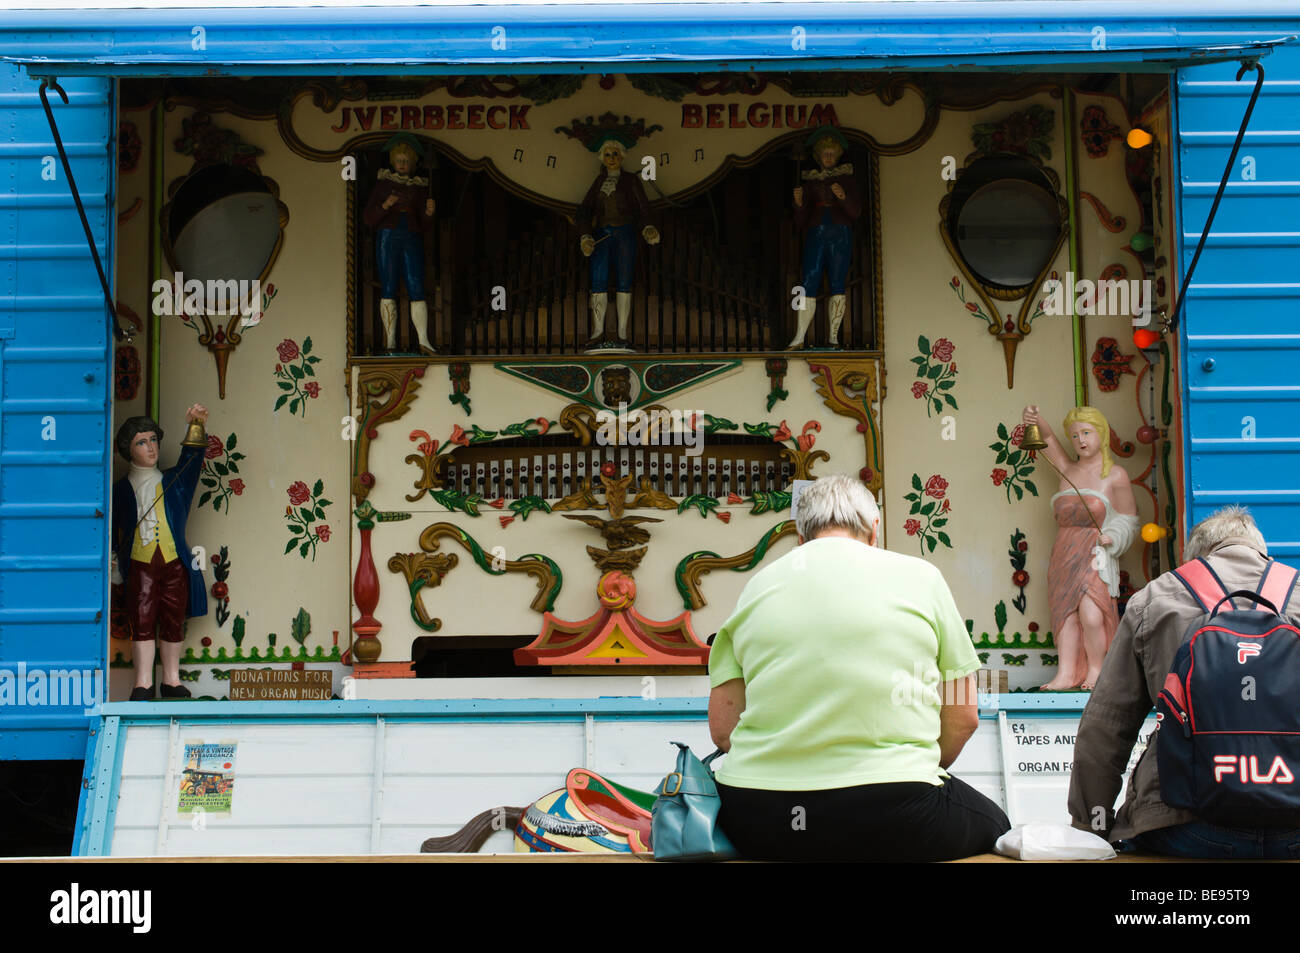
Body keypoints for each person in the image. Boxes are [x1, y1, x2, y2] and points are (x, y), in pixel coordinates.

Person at [707, 474, 1009, 861]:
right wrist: (916, 768)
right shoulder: (922, 578)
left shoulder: (756, 587)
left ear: (801, 537)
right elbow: (964, 715)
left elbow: (723, 730)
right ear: (874, 530)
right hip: (895, 814)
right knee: (995, 824)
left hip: (760, 817)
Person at [1068, 505, 1300, 858]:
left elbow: (1107, 727)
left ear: (1194, 560)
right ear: (1263, 553)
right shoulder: (1294, 592)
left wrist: (1091, 827)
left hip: (1186, 828)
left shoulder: (1155, 599)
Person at [1022, 405, 1139, 690]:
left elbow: (1129, 520)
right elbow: (1047, 440)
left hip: (1095, 554)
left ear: (1101, 434)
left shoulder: (1116, 476)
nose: (1081, 440)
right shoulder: (1067, 469)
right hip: (1065, 551)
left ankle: (1097, 669)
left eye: (1087, 433)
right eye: (1074, 436)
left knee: (1091, 612)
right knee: (1065, 615)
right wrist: (1035, 419)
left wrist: (1113, 536)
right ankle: (1066, 673)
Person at [111, 405, 210, 701]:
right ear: (128, 450)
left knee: (172, 618)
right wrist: (115, 565)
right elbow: (113, 529)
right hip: (140, 564)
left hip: (173, 562)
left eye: (153, 439)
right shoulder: (121, 489)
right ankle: (142, 683)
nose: (151, 447)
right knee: (141, 619)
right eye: (142, 442)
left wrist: (196, 425)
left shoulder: (174, 482)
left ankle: (171, 679)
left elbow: (191, 460)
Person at [577, 134, 660, 351]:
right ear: (602, 158)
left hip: (625, 234)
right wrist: (586, 236)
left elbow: (643, 209)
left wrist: (648, 227)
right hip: (602, 234)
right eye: (607, 154)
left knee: (625, 280)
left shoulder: (631, 181)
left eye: (615, 154)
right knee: (598, 280)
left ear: (621, 157)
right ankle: (597, 332)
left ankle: (622, 332)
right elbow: (584, 211)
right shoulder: (598, 183)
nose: (611, 158)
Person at [363, 133, 436, 355]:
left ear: (413, 162)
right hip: (388, 236)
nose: (402, 164)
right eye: (399, 160)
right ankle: (390, 342)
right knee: (388, 286)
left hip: (411, 236)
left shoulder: (419, 187)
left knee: (416, 284)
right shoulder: (383, 184)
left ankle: (424, 340)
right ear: (393, 161)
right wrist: (385, 205)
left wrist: (429, 213)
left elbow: (425, 224)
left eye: (406, 161)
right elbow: (368, 218)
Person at [788, 126, 861, 349]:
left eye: (832, 153)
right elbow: (800, 221)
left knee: (838, 282)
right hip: (817, 232)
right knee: (809, 280)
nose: (828, 157)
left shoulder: (847, 180)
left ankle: (833, 338)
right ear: (818, 156)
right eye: (824, 153)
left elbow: (855, 212)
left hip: (840, 234)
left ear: (837, 155)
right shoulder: (811, 182)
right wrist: (799, 203)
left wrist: (843, 197)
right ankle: (800, 336)